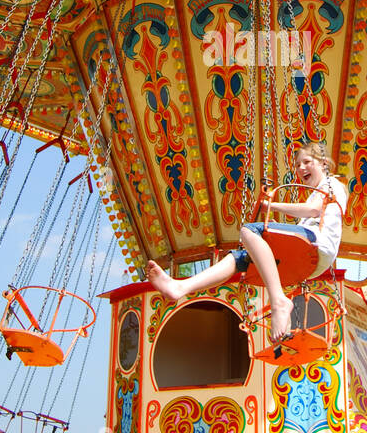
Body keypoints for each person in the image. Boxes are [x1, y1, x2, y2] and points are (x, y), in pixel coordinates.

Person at [144, 142, 348, 342]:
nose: (301, 168)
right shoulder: (317, 192)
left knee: (249, 231)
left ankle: (279, 301)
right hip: (310, 258)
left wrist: (271, 205)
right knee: (239, 258)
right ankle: (181, 287)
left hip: (317, 245)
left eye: (307, 162)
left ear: (323, 163)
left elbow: (313, 210)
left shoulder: (333, 185)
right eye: (297, 164)